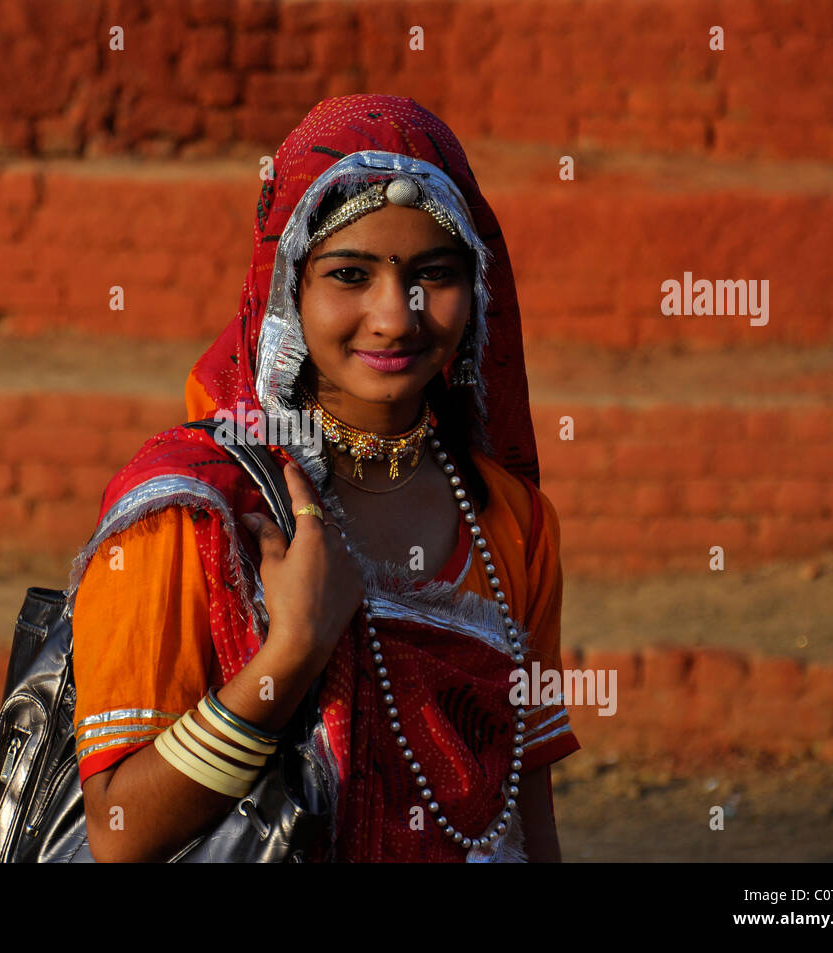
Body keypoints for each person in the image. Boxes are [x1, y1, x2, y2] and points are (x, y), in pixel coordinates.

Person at [64, 94, 579, 862]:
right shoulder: (194, 510)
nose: (395, 318)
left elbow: (522, 807)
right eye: (349, 274)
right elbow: (119, 832)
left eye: (434, 274)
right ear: (285, 290)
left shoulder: (510, 519)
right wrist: (293, 650)